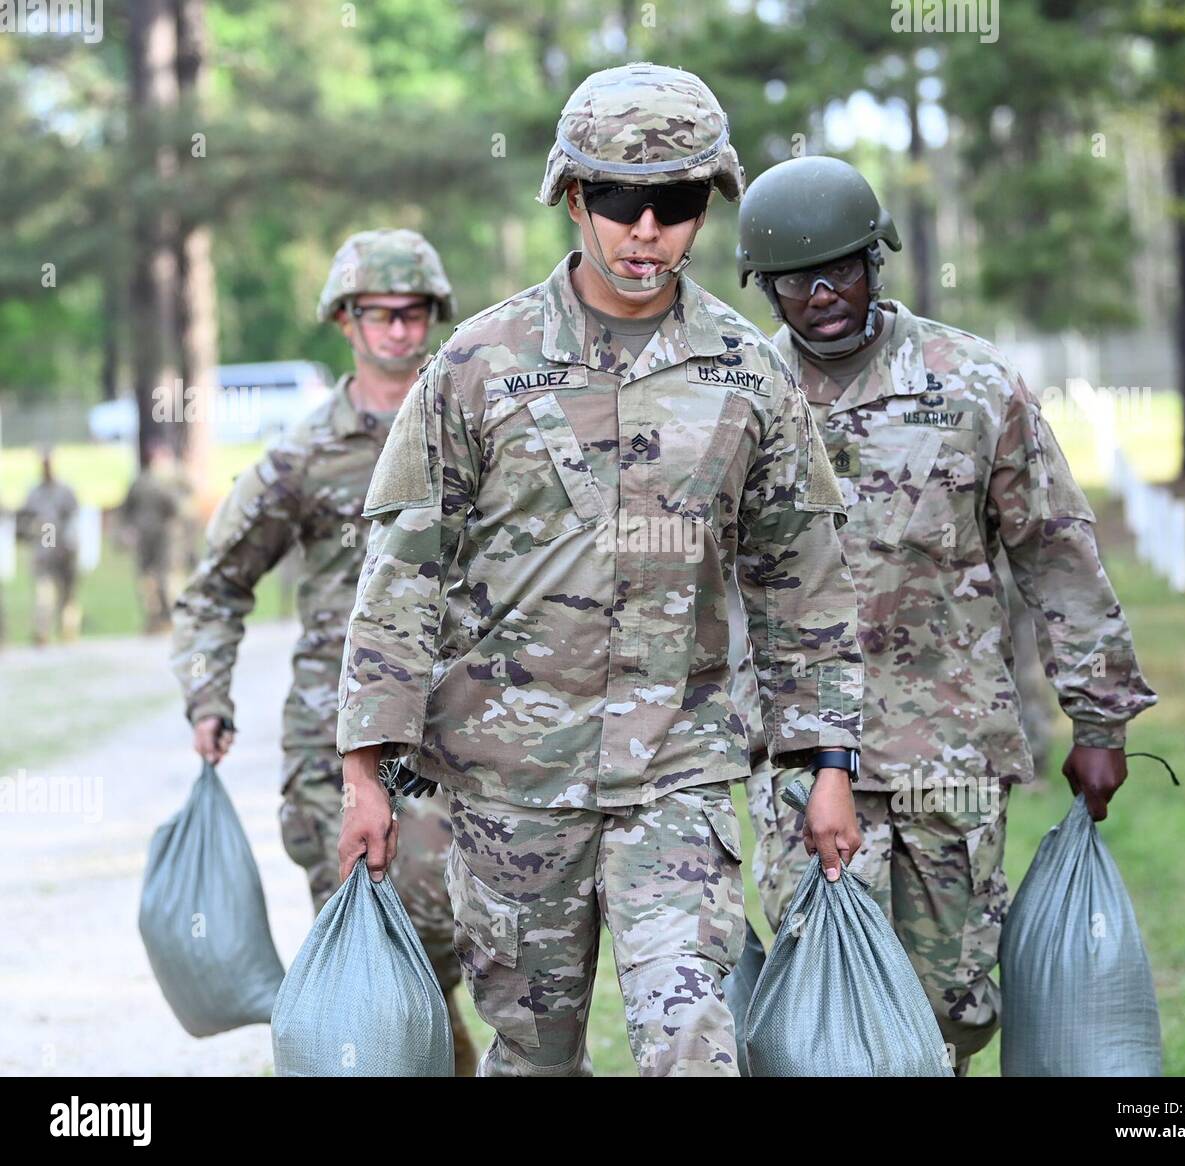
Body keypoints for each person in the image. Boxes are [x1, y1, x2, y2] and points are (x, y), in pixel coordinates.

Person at [336, 64, 864, 1078]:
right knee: (534, 1055)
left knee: (692, 1037)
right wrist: (365, 770)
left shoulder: (749, 373)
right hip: (509, 788)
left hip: (679, 773)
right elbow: (402, 575)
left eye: (676, 204)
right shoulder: (475, 368)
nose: (646, 230)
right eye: (621, 202)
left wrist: (829, 766)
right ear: (575, 198)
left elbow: (803, 583)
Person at [735, 155, 1158, 1071]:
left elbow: (1055, 548)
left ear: (875, 263)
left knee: (950, 1013)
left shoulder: (970, 384)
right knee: (826, 1015)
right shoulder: (738, 401)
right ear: (764, 286)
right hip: (801, 761)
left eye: (841, 269)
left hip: (948, 760)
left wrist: (1100, 716)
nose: (821, 295)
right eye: (795, 280)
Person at [170, 228, 477, 1072]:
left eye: (415, 314)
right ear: (345, 319)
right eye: (380, 314)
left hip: (458, 731)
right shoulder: (300, 457)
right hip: (336, 742)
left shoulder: (471, 429)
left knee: (458, 927)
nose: (400, 331)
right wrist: (207, 696)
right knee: (373, 937)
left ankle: (430, 1045)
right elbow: (215, 587)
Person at [121, 440, 196, 634]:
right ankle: (154, 619)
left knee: (168, 578)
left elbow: (184, 506)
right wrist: (126, 531)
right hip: (145, 537)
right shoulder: (142, 482)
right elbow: (127, 509)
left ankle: (174, 617)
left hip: (169, 537)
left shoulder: (176, 477)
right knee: (147, 580)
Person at [18, 448, 80, 645]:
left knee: (67, 594)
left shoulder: (64, 491)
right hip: (43, 551)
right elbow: (24, 522)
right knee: (43, 593)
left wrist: (71, 544)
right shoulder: (34, 493)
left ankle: (68, 630)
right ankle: (42, 631)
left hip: (64, 549)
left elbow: (73, 518)